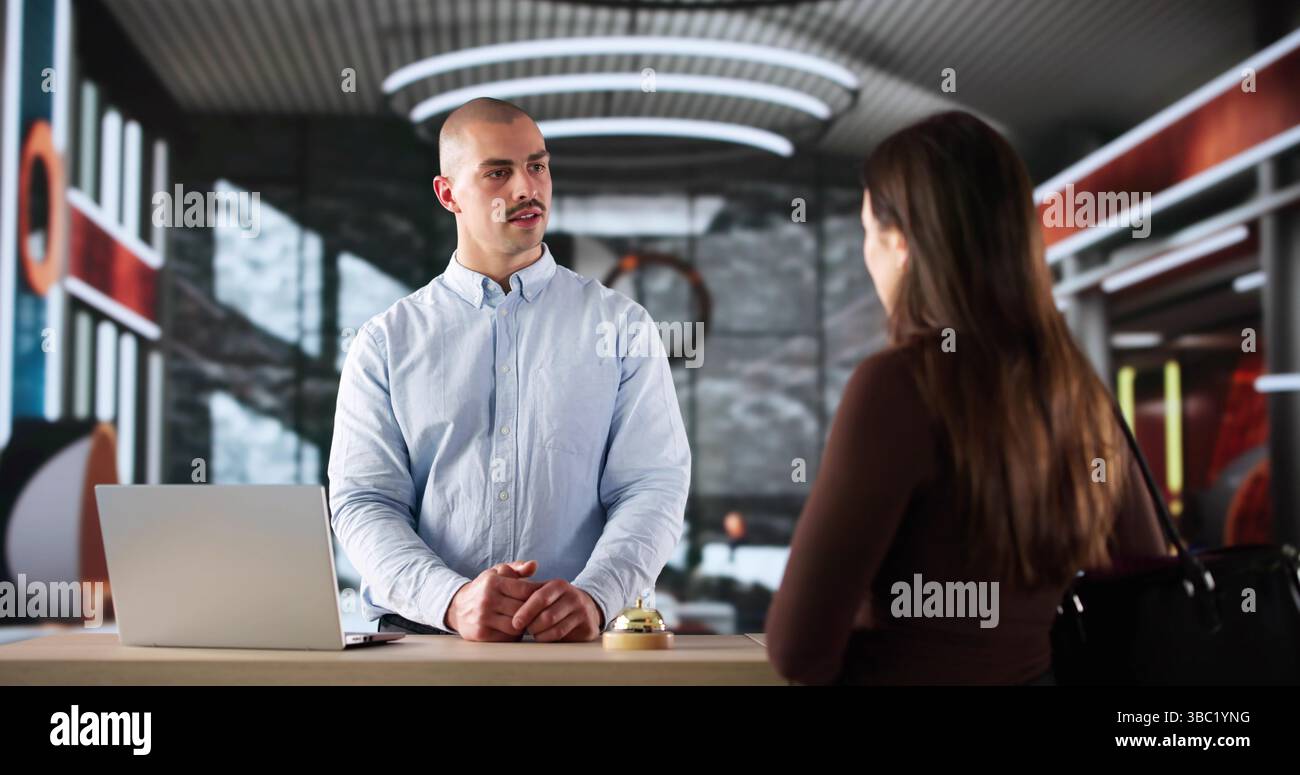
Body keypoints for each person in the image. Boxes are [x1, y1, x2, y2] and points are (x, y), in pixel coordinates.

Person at [765, 111, 1167, 684]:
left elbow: (797, 650)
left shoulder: (898, 387)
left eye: (866, 233)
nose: (867, 255)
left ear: (900, 244)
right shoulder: (1080, 390)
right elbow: (1147, 580)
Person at [327, 98, 690, 643]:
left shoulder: (622, 326)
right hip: (422, 644)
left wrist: (595, 595)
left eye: (537, 166)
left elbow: (652, 485)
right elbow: (363, 501)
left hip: (581, 646)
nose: (527, 188)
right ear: (448, 194)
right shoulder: (385, 341)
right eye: (498, 172)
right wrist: (448, 599)